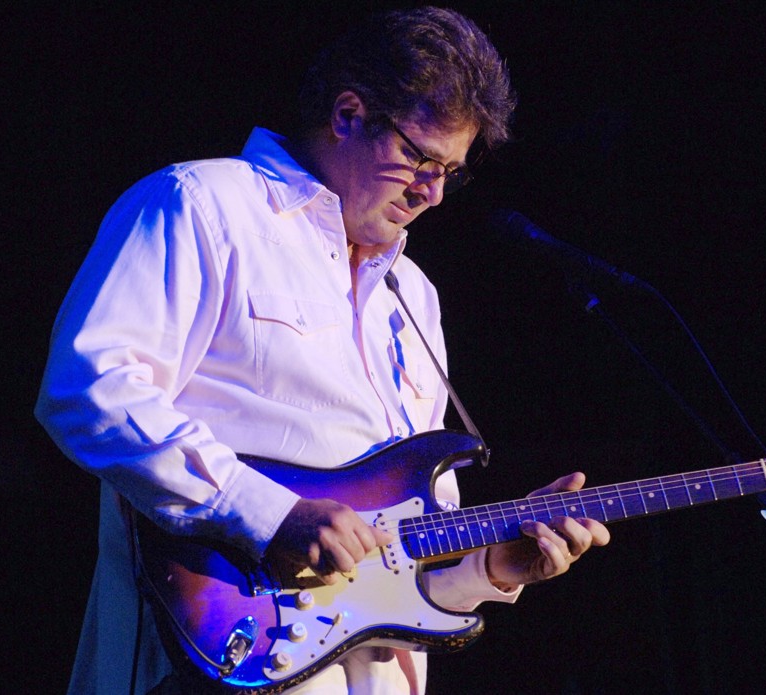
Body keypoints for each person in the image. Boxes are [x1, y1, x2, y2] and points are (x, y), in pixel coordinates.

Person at [36, 7, 610, 694]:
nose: (430, 192)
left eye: (449, 173)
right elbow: (88, 388)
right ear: (347, 113)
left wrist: (491, 567)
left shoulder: (414, 296)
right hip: (204, 664)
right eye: (420, 157)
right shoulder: (203, 205)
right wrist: (268, 513)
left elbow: (405, 564)